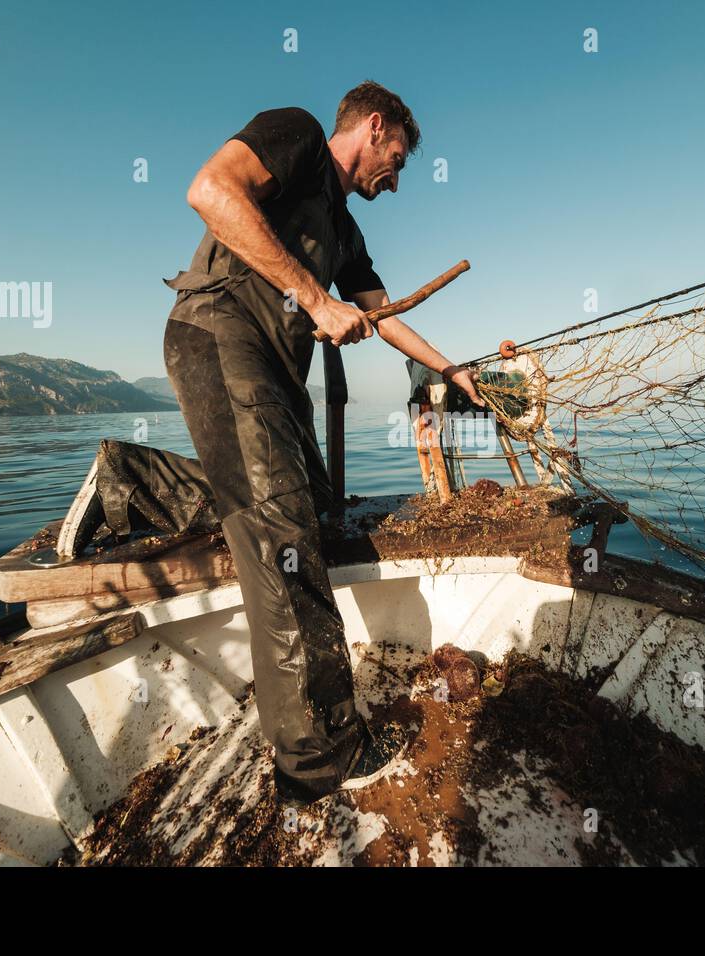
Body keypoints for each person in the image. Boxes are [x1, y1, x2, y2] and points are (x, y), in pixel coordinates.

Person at [159, 82, 482, 799]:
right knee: (283, 530)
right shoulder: (296, 134)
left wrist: (450, 368)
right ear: (372, 127)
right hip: (218, 336)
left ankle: (133, 481)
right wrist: (313, 297)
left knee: (317, 497)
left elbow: (382, 313)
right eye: (395, 159)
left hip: (273, 373)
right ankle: (318, 759)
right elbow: (210, 190)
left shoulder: (348, 232)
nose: (394, 181)